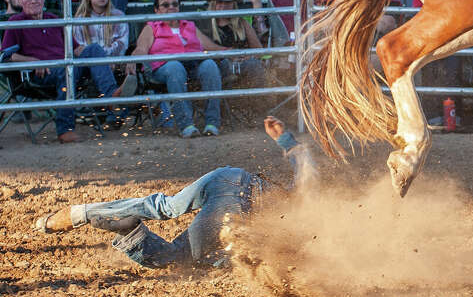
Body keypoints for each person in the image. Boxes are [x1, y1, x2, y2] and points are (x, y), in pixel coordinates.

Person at [33, 116, 314, 269]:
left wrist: (284, 138)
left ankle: (81, 212)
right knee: (178, 258)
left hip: (229, 176)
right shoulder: (294, 222)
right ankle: (128, 231)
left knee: (164, 206)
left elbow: (304, 162)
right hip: (235, 207)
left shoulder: (298, 199)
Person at [126, 0, 227, 138]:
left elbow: (210, 46)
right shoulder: (151, 27)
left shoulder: (189, 25)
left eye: (174, 4)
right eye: (165, 5)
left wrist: (231, 52)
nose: (171, 7)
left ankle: (212, 123)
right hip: (164, 69)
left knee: (210, 64)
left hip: (192, 65)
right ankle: (186, 125)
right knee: (175, 67)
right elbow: (141, 48)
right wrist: (133, 59)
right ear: (157, 10)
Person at [3, 0, 80, 142]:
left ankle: (113, 100)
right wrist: (33, 61)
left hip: (68, 67)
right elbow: (7, 55)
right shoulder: (15, 22)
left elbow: (76, 49)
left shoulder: (56, 20)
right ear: (20, 0)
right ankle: (65, 129)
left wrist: (103, 57)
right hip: (40, 74)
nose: (34, 1)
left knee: (94, 51)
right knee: (67, 72)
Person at [72, 0, 136, 128]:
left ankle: (112, 115)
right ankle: (114, 103)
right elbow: (80, 49)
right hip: (88, 65)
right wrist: (104, 60)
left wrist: (106, 60)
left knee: (127, 70)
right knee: (94, 50)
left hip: (116, 61)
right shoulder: (80, 19)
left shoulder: (119, 15)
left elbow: (122, 44)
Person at [206, 0, 267, 89]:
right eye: (219, 2)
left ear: (233, 4)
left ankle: (259, 103)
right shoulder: (206, 25)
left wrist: (248, 57)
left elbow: (259, 50)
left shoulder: (242, 23)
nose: (223, 5)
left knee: (254, 64)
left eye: (227, 2)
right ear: (214, 4)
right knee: (219, 65)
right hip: (218, 67)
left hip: (242, 65)